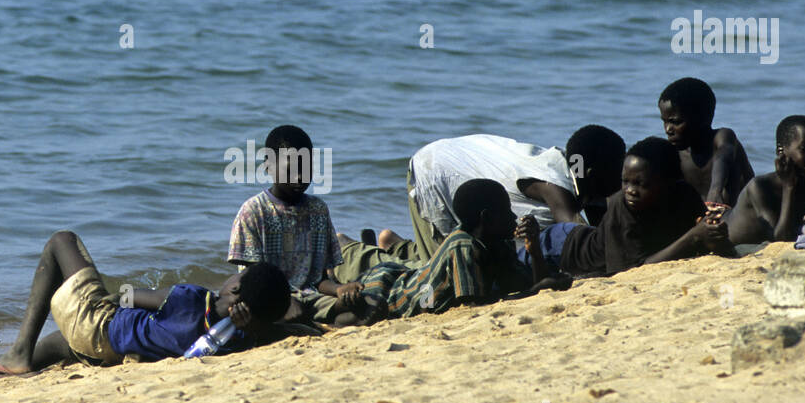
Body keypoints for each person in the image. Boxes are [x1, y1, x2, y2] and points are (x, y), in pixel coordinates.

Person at [0, 231, 291, 378]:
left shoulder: (193, 299)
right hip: (109, 352)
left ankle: (18, 353)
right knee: (54, 347)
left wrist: (110, 296)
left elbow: (128, 298)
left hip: (103, 328)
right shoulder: (240, 341)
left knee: (61, 242)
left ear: (236, 287)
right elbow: (280, 322)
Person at [327, 179, 568, 326]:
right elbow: (472, 308)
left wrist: (534, 249)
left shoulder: (496, 243)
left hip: (408, 279)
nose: (514, 218)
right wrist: (535, 291)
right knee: (348, 313)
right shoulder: (463, 246)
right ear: (487, 218)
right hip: (389, 292)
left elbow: (524, 284)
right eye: (506, 212)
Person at [375, 125, 627, 263]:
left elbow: (601, 221)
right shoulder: (554, 184)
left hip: (464, 163)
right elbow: (580, 233)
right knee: (441, 266)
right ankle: (362, 253)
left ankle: (397, 245)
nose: (620, 185)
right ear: (593, 174)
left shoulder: (579, 173)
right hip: (435, 169)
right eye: (618, 178)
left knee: (475, 256)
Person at [531, 137, 732, 278]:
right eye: (625, 181)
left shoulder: (684, 194)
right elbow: (630, 273)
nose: (630, 191)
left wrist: (713, 235)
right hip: (561, 247)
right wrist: (694, 236)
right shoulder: (623, 206)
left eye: (640, 184)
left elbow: (704, 235)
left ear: (668, 182)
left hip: (595, 237)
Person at [227, 124, 355, 323]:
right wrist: (284, 301)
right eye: (291, 169)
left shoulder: (318, 209)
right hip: (270, 301)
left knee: (369, 306)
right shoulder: (253, 212)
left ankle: (324, 315)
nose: (300, 177)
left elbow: (319, 279)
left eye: (306, 169)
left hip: (313, 298)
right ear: (268, 166)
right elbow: (251, 282)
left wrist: (340, 290)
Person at [725, 116, 805, 245]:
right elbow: (781, 238)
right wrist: (789, 186)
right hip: (727, 238)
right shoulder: (760, 186)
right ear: (781, 151)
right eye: (804, 149)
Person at [657, 77, 755, 208]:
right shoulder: (675, 155)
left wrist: (715, 191)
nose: (668, 129)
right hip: (701, 223)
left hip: (737, 219)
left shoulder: (722, 138)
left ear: (703, 118)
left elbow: (723, 157)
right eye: (665, 121)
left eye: (676, 122)